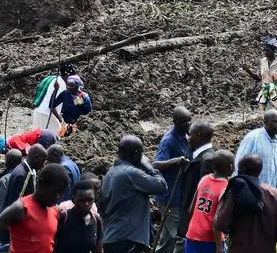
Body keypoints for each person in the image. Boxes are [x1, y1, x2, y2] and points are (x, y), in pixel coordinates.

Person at [0, 163, 68, 253]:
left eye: (61, 193)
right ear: (41, 183)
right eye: (55, 192)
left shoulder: (55, 211)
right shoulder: (20, 208)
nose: (58, 197)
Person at [99, 136, 167, 253]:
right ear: (136, 154)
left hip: (111, 236)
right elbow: (161, 185)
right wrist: (147, 165)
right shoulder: (131, 173)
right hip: (128, 238)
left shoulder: (110, 174)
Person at [212, 154, 277, 253]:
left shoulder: (235, 191)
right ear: (259, 171)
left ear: (242, 170)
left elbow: (220, 223)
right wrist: (267, 241)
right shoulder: (274, 194)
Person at [152, 106, 192, 253]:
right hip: (170, 197)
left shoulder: (187, 136)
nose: (188, 124)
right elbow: (156, 164)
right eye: (183, 122)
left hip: (180, 194)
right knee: (181, 236)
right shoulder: (168, 141)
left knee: (168, 238)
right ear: (175, 122)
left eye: (189, 120)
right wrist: (174, 161)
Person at [183, 150, 233, 253]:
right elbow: (217, 221)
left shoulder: (204, 179)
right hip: (210, 239)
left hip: (192, 233)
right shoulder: (226, 188)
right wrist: (219, 247)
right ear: (231, 167)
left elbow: (192, 207)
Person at [235, 111, 277, 193]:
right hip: (251, 194)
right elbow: (238, 166)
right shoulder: (253, 138)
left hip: (268, 196)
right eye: (275, 121)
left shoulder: (276, 143)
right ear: (265, 122)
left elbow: (276, 172)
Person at [243, 39, 277, 114]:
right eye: (264, 50)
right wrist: (247, 70)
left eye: (267, 50)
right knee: (264, 115)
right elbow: (258, 78)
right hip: (265, 94)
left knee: (275, 115)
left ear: (273, 50)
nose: (265, 52)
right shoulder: (263, 61)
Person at [55, 179, 102, 253]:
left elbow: (98, 248)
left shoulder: (96, 221)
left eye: (90, 200)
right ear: (73, 200)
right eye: (82, 200)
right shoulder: (64, 218)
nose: (86, 203)